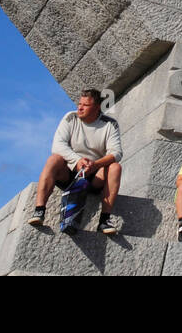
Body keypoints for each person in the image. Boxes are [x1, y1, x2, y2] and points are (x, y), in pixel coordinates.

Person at [28, 89, 123, 234]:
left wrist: (95, 165)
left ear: (97, 107)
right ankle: (39, 210)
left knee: (115, 167)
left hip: (94, 175)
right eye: (80, 104)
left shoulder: (110, 124)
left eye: (85, 105)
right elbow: (58, 145)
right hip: (70, 171)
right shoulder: (70, 118)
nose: (80, 108)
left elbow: (116, 152)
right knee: (54, 159)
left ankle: (104, 220)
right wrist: (77, 161)